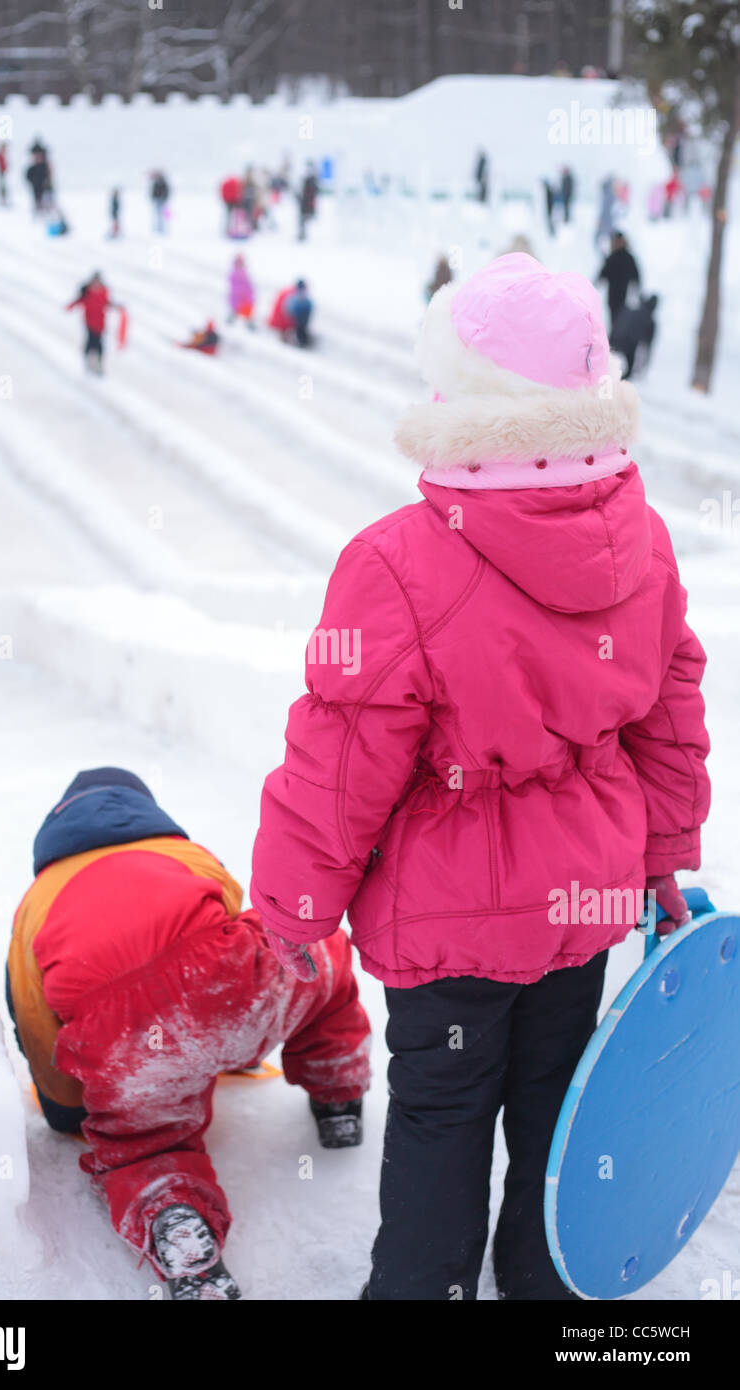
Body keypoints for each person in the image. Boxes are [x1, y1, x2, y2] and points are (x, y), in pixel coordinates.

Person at [250, 254, 710, 1301]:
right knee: (557, 1105)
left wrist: (292, 904)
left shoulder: (398, 560)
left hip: (447, 931)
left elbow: (343, 753)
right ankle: (542, 1284)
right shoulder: (637, 539)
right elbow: (668, 711)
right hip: (581, 901)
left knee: (440, 1118)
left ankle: (424, 1286)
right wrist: (660, 854)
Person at [6, 768, 370, 1300]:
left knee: (143, 1145)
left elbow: (35, 1020)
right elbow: (241, 923)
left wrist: (68, 1108)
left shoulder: (36, 902)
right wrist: (234, 1039)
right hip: (225, 985)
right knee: (322, 964)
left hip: (124, 1040)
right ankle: (339, 1097)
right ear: (145, 810)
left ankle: (174, 1219)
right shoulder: (187, 853)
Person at [65, 272, 123, 375]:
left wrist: (118, 307)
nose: (96, 285)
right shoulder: (86, 293)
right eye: (94, 282)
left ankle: (98, 364)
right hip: (89, 323)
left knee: (99, 344)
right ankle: (88, 362)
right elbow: (77, 301)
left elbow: (108, 303)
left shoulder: (104, 293)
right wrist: (70, 306)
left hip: (100, 324)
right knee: (90, 342)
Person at [597, 231, 641, 335]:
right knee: (621, 320)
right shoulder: (628, 258)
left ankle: (615, 340)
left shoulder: (612, 258)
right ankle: (618, 339)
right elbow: (636, 277)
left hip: (613, 296)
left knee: (615, 320)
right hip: (623, 296)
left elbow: (602, 276)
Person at [610, 293, 658, 380]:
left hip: (613, 342)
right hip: (628, 347)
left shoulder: (628, 311)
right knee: (626, 373)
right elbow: (647, 346)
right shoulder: (650, 321)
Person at [269, 279, 312, 347]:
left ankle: (299, 337)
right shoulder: (296, 295)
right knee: (302, 315)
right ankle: (301, 339)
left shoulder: (287, 291)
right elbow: (288, 311)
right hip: (281, 323)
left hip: (274, 319)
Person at [227, 255, 256, 327]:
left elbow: (249, 286)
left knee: (247, 314)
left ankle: (250, 325)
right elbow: (235, 288)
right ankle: (229, 324)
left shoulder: (244, 273)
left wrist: (250, 296)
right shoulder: (234, 274)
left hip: (246, 299)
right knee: (236, 312)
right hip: (238, 299)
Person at [297, 164, 319, 241]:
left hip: (307, 203)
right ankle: (302, 234)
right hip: (305, 203)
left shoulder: (311, 180)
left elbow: (312, 193)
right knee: (302, 220)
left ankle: (303, 234)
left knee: (304, 220)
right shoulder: (309, 179)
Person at [594, 174, 616, 250]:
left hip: (606, 219)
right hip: (606, 219)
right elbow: (605, 209)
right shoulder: (609, 194)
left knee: (603, 234)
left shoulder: (608, 194)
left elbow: (606, 209)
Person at [26, 150, 49, 216]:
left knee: (43, 198)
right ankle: (38, 210)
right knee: (36, 198)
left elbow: (46, 176)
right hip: (35, 186)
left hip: (43, 186)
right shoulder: (32, 167)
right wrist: (32, 181)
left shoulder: (43, 166)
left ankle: (42, 210)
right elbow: (28, 176)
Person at [0, 141, 9, 207]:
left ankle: (4, 199)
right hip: (1, 172)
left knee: (3, 186)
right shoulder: (0, 155)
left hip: (3, 172)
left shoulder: (3, 154)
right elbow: (0, 164)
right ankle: (2, 200)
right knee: (2, 186)